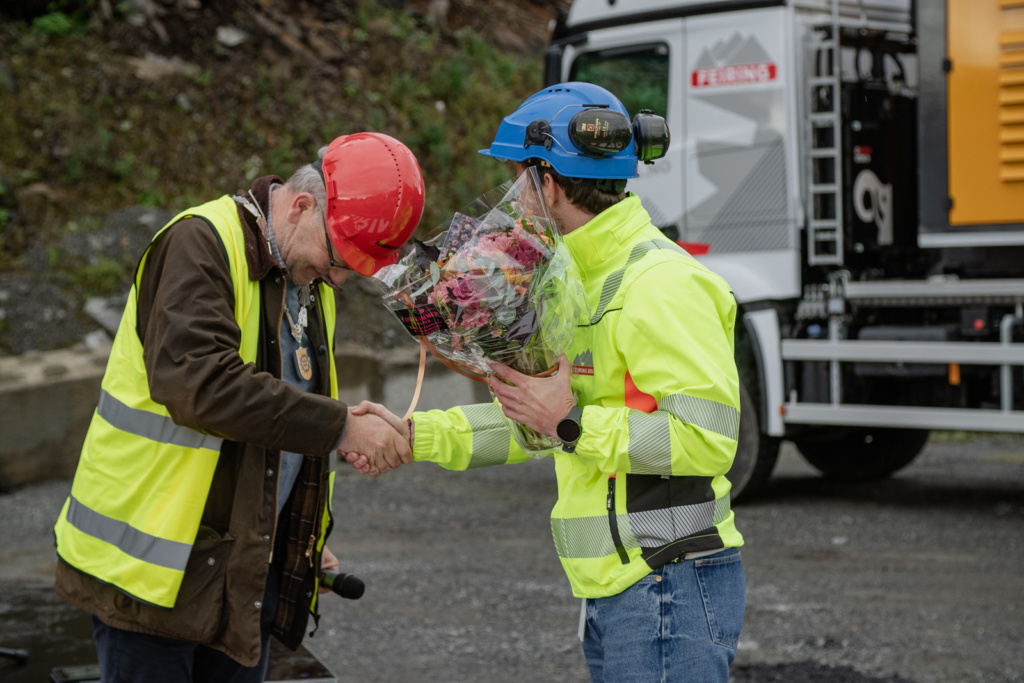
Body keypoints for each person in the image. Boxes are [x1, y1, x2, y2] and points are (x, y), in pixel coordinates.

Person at [347, 83, 746, 682]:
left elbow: (706, 439)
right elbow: (541, 423)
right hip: (620, 589)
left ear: (547, 184)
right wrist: (413, 435)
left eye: (515, 179)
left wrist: (571, 422)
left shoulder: (660, 284)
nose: (510, 200)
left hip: (667, 583)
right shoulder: (565, 281)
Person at [52, 132, 422, 682]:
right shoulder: (199, 245)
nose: (341, 279)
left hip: (239, 573)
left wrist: (301, 531)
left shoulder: (306, 274)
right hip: (151, 580)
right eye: (340, 259)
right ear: (301, 205)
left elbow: (278, 423)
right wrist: (343, 427)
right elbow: (202, 385)